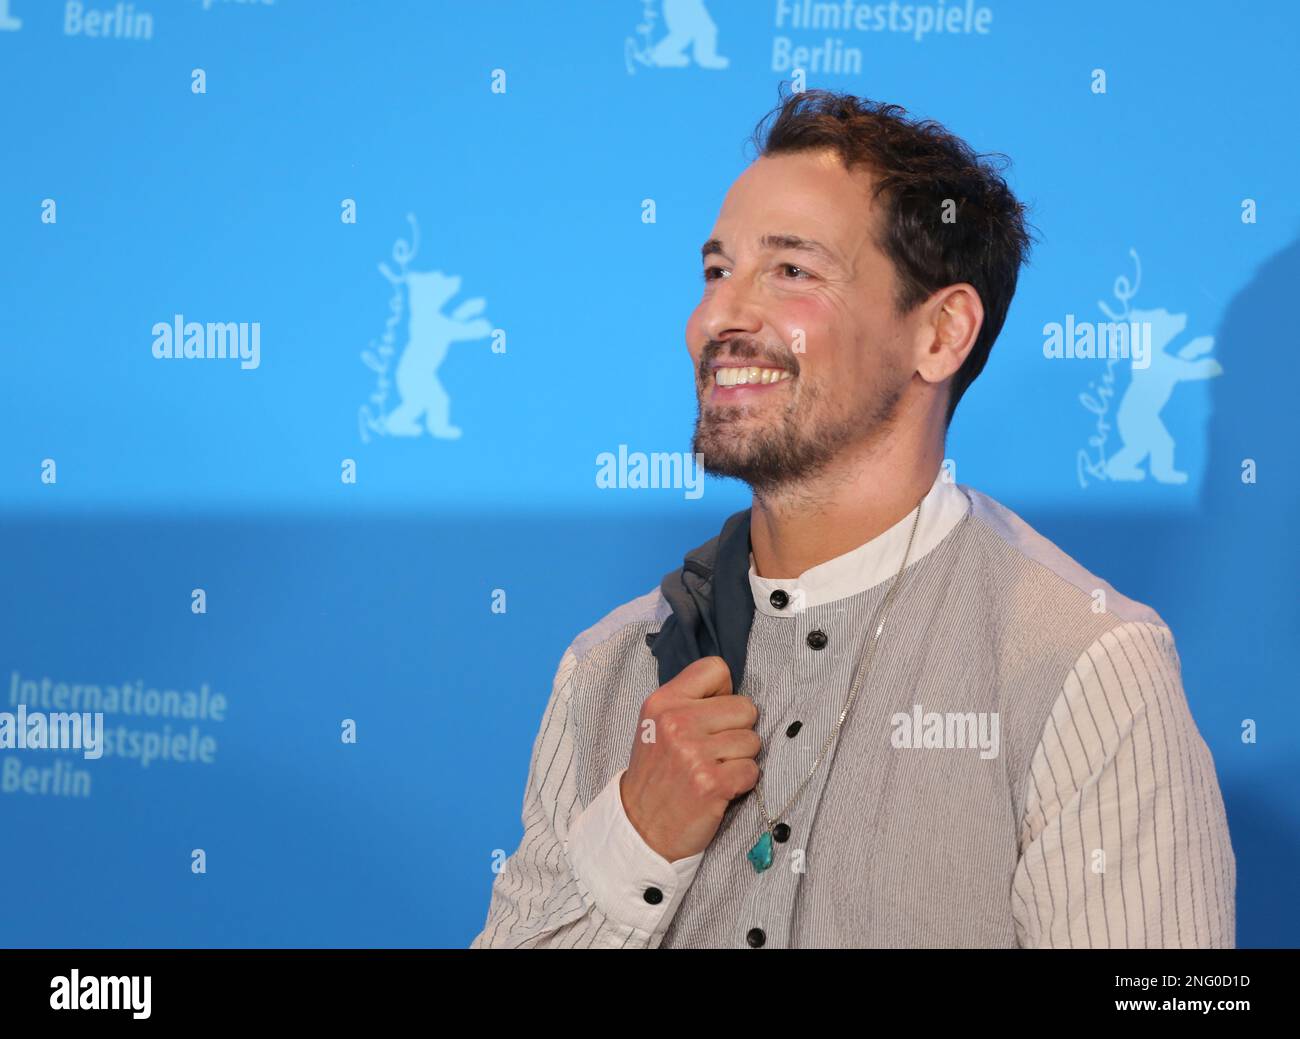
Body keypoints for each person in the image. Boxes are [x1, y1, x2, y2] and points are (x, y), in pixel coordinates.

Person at [470, 88, 1235, 949]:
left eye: (792, 271)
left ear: (940, 333)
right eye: (716, 272)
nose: (718, 317)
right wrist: (635, 839)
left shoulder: (1085, 668)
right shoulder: (606, 669)